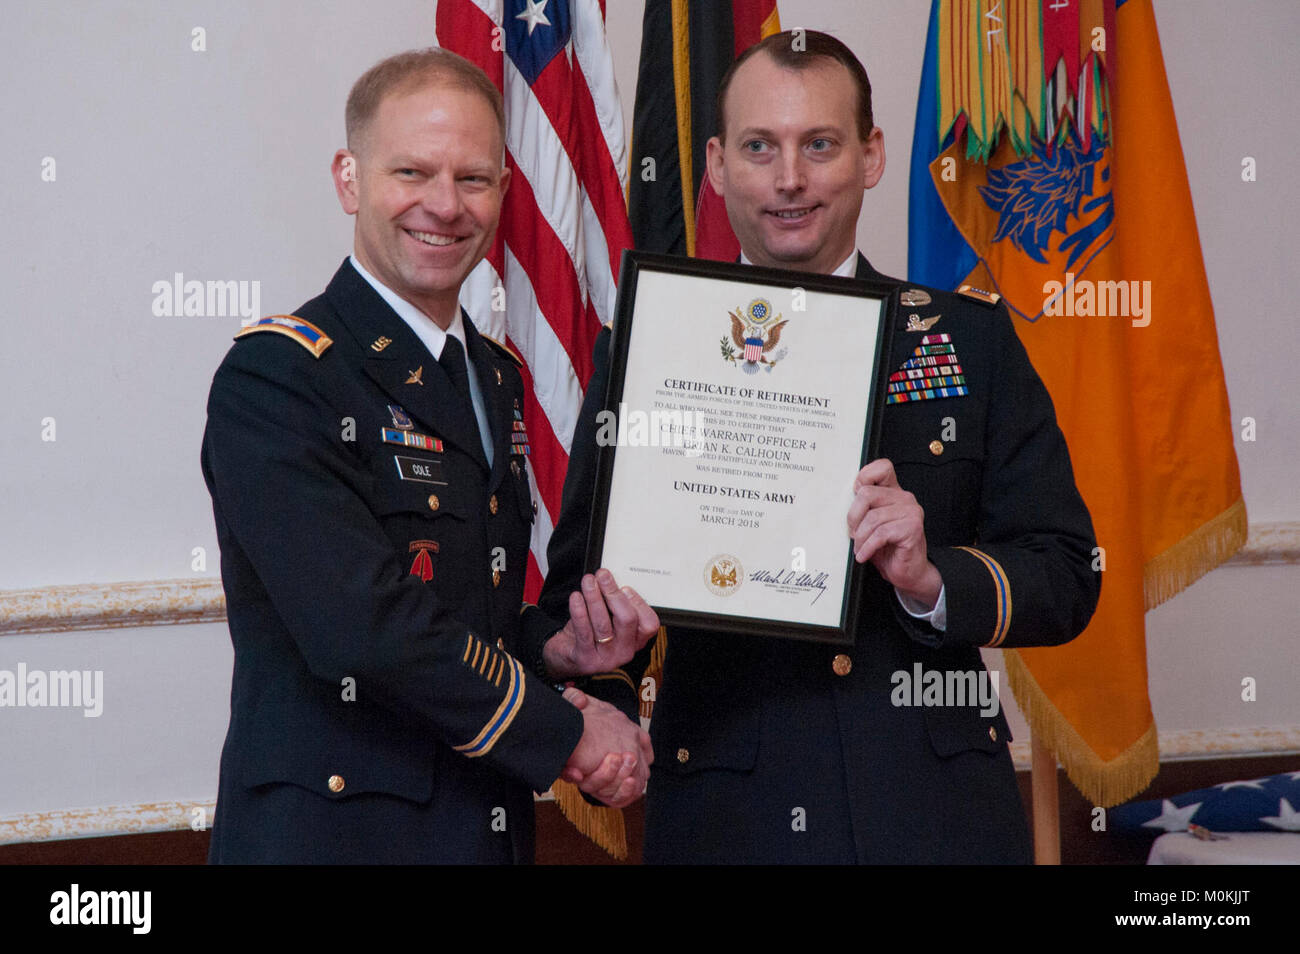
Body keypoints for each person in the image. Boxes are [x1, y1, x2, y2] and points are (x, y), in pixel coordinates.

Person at [539, 31, 1100, 863]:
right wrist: (605, 679)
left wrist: (929, 577)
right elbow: (576, 605)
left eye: (821, 145)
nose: (789, 179)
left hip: (934, 815)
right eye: (761, 147)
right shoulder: (646, 350)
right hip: (732, 819)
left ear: (871, 157)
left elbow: (1067, 573)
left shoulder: (967, 340)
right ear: (718, 164)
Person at [200, 48, 657, 864]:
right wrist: (565, 736)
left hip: (481, 828)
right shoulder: (281, 375)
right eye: (410, 171)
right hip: (335, 840)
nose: (443, 206)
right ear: (349, 177)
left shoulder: (496, 378)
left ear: (505, 194)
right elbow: (360, 626)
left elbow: (463, 612)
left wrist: (555, 653)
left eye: (473, 179)